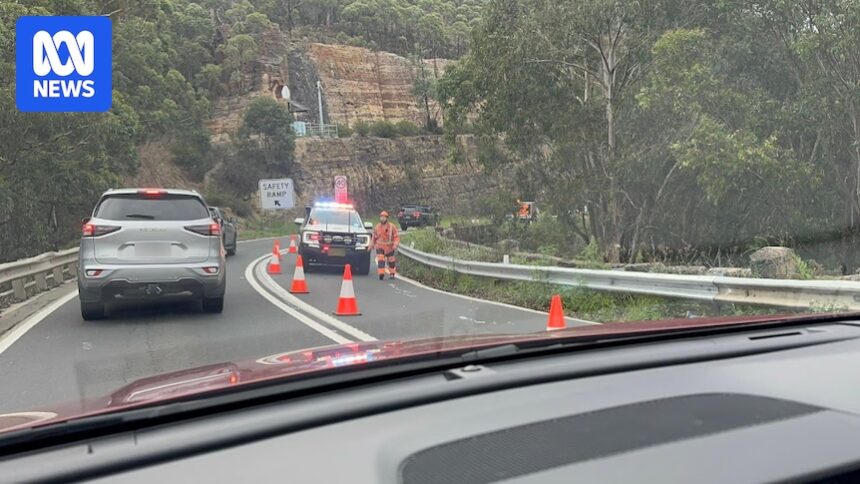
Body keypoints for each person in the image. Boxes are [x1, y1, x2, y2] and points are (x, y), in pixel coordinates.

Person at [372, 211, 400, 280]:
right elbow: (374, 237)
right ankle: (381, 274)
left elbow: (396, 237)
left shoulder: (392, 227)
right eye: (381, 217)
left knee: (391, 261)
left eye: (384, 217)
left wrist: (395, 245)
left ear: (387, 218)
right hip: (380, 247)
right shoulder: (377, 227)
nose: (382, 219)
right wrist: (371, 245)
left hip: (390, 247)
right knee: (380, 259)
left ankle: (392, 273)